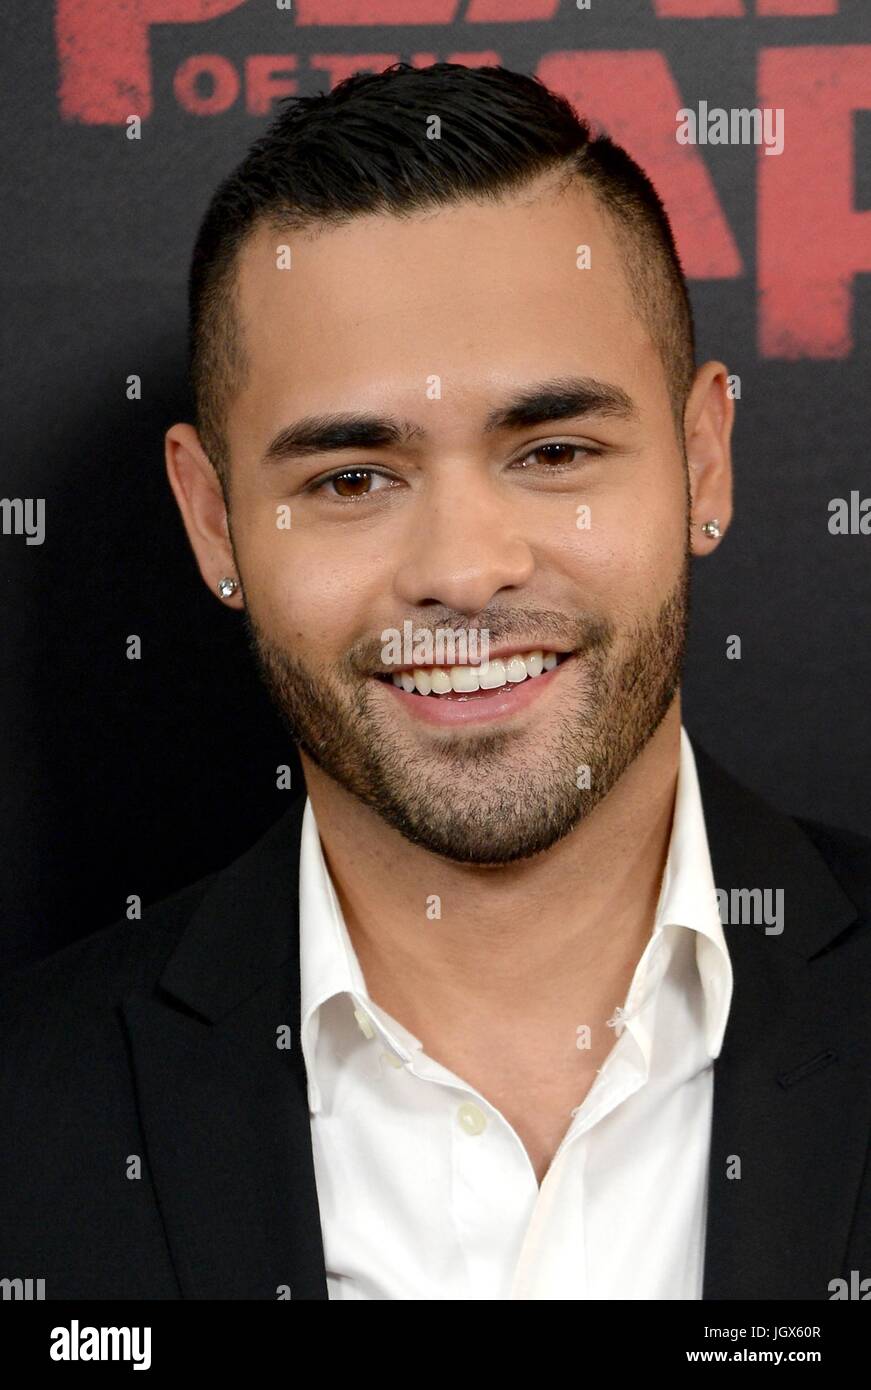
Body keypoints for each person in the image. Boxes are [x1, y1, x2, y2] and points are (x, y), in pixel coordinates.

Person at [2, 62, 869, 1302]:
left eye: (556, 450)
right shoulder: (30, 1120)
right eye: (351, 478)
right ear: (210, 521)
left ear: (703, 459)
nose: (465, 570)